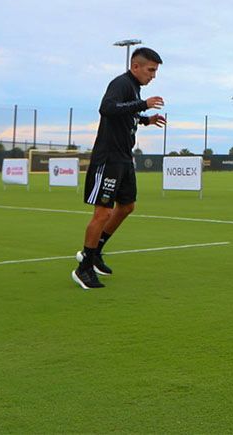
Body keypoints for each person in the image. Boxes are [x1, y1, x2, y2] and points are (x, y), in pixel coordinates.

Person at [72, 47, 165, 289]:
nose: (153, 75)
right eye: (151, 70)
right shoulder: (121, 83)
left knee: (127, 207)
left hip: (124, 158)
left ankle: (95, 252)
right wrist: (143, 105)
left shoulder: (133, 88)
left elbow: (127, 114)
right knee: (102, 213)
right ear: (136, 66)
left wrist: (145, 119)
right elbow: (107, 109)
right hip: (109, 159)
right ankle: (83, 268)